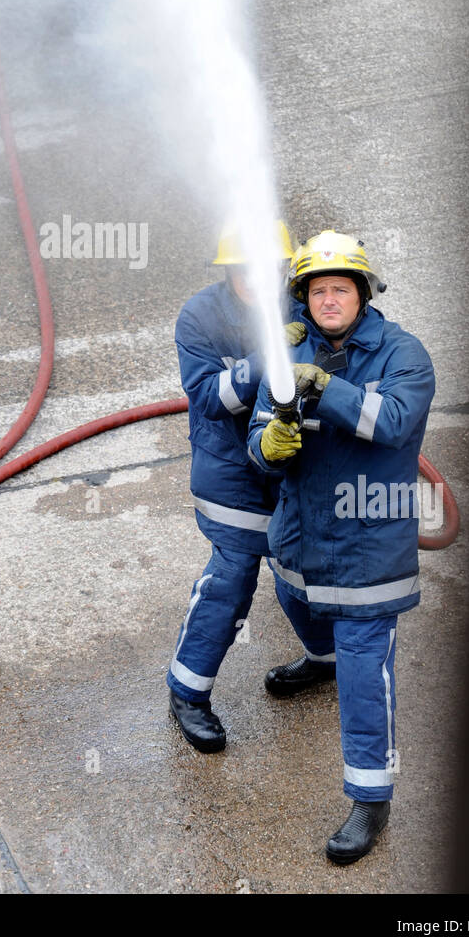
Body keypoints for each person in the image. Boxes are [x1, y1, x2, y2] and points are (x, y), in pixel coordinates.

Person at [247, 230, 435, 863]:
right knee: (296, 600)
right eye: (317, 289)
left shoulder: (403, 353)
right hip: (300, 533)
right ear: (304, 297)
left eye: (340, 288)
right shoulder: (288, 349)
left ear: (363, 293)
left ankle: (370, 797)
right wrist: (266, 444)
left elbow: (393, 422)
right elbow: (256, 431)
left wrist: (324, 387)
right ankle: (319, 659)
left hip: (368, 543)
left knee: (364, 667)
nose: (328, 299)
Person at [167, 221, 304, 752]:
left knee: (302, 568)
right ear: (228, 271)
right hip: (231, 475)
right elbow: (209, 398)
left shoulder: (301, 304)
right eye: (246, 270)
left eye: (270, 268)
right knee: (232, 577)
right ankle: (188, 689)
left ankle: (325, 659)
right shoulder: (200, 316)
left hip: (292, 468)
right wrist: (263, 361)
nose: (259, 279)